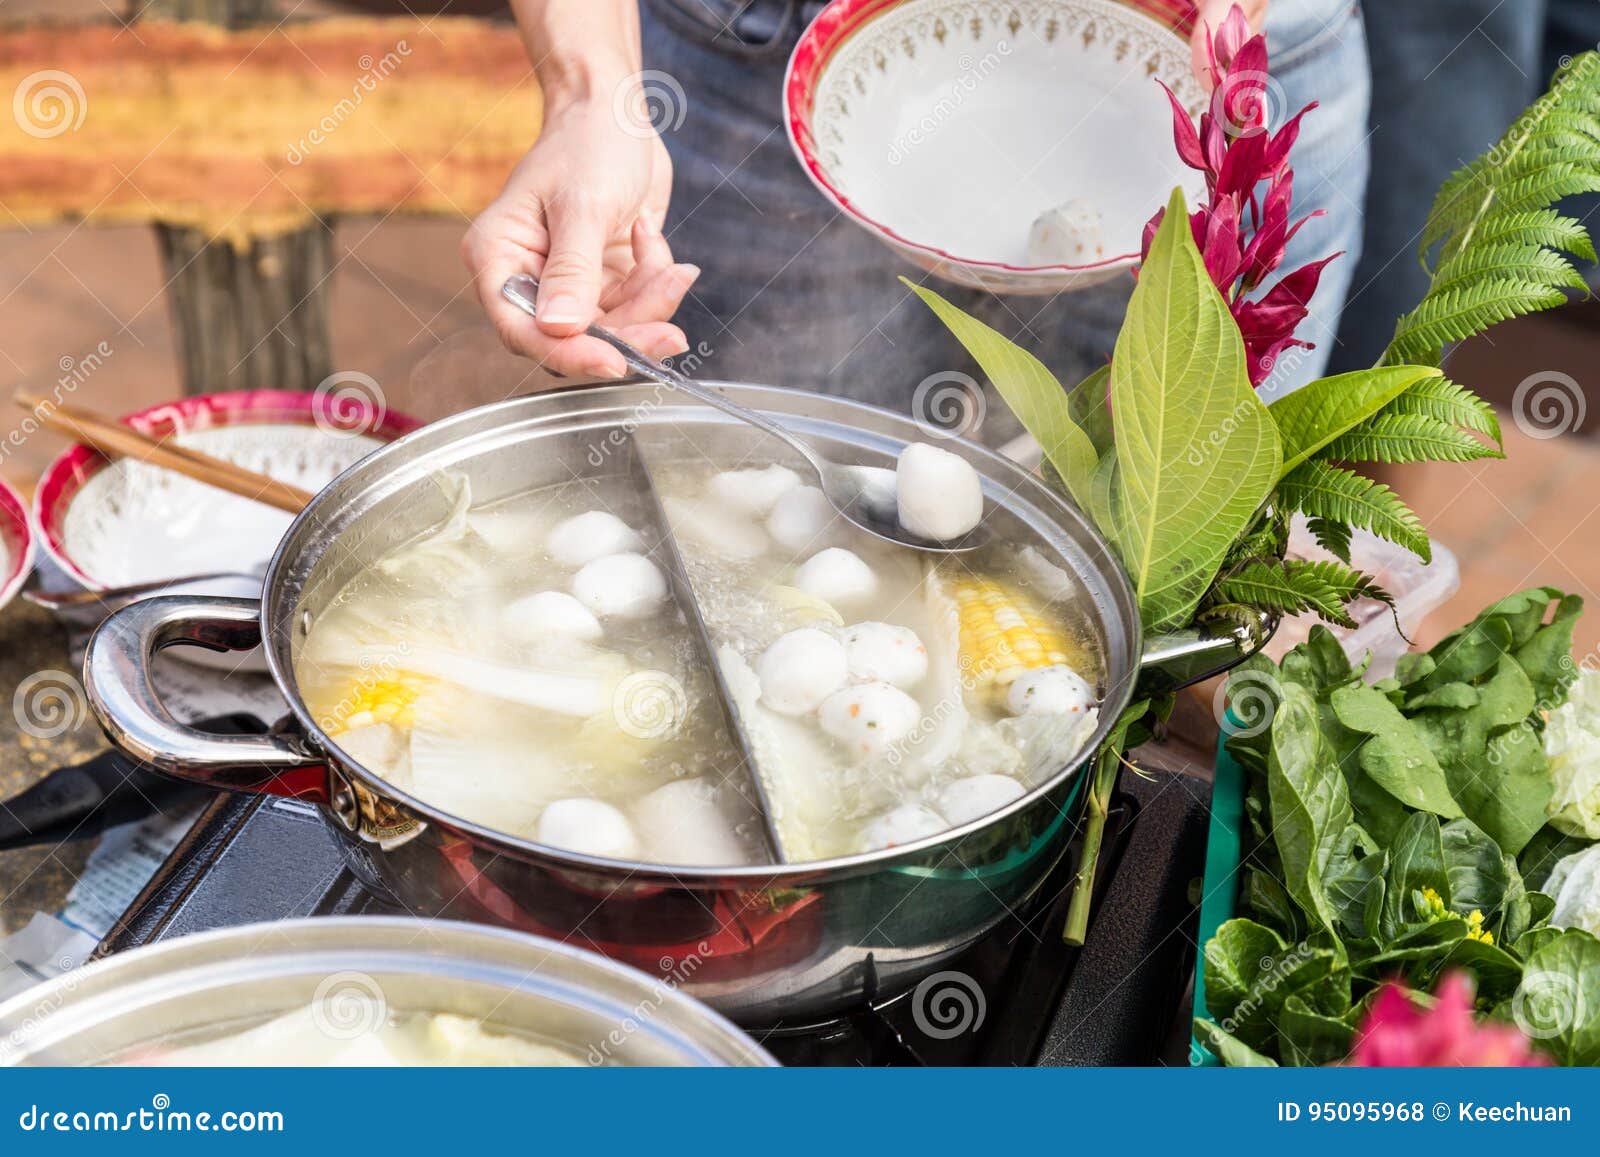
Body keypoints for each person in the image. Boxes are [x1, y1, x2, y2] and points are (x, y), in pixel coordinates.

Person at [464, 0, 1371, 443]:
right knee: (759, 539)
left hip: (1225, 64)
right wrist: (594, 93)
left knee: (1164, 636)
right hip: (775, 67)